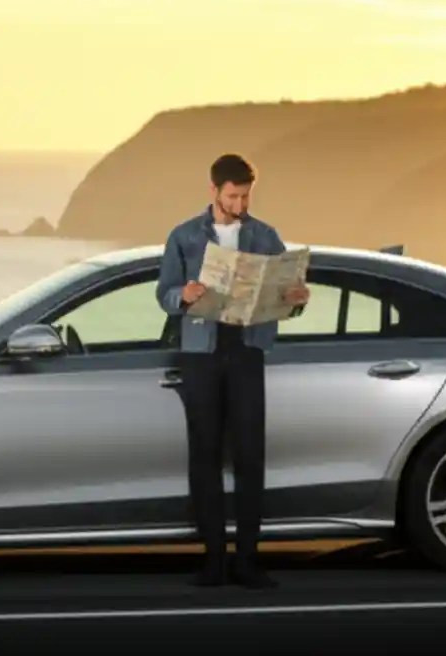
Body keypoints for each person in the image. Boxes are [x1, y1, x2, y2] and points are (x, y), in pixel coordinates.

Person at [155, 153, 309, 589]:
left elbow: (286, 297)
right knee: (204, 456)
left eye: (246, 196)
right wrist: (182, 294)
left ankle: (247, 560)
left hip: (247, 351)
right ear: (214, 191)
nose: (240, 204)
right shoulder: (184, 236)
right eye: (233, 196)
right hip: (201, 354)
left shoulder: (265, 235)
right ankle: (214, 561)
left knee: (249, 456)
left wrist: (296, 297)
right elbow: (163, 293)